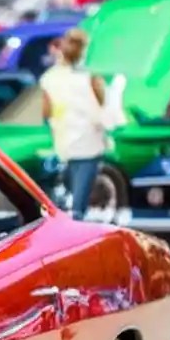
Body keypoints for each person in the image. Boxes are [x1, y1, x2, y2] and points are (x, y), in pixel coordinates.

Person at [40, 28, 107, 221]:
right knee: (79, 204)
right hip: (89, 144)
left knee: (66, 196)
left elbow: (46, 111)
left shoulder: (49, 78)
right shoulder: (91, 78)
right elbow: (102, 109)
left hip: (63, 143)